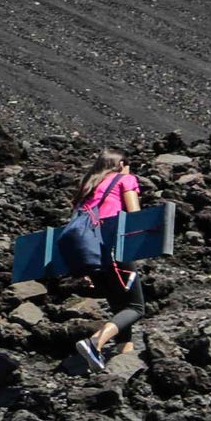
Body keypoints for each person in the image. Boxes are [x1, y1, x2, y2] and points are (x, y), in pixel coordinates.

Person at [66, 152, 149, 372]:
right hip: (114, 249)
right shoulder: (125, 179)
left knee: (120, 307)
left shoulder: (88, 186)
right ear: (121, 164)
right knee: (136, 307)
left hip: (90, 254)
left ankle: (123, 360)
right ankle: (95, 343)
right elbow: (134, 215)